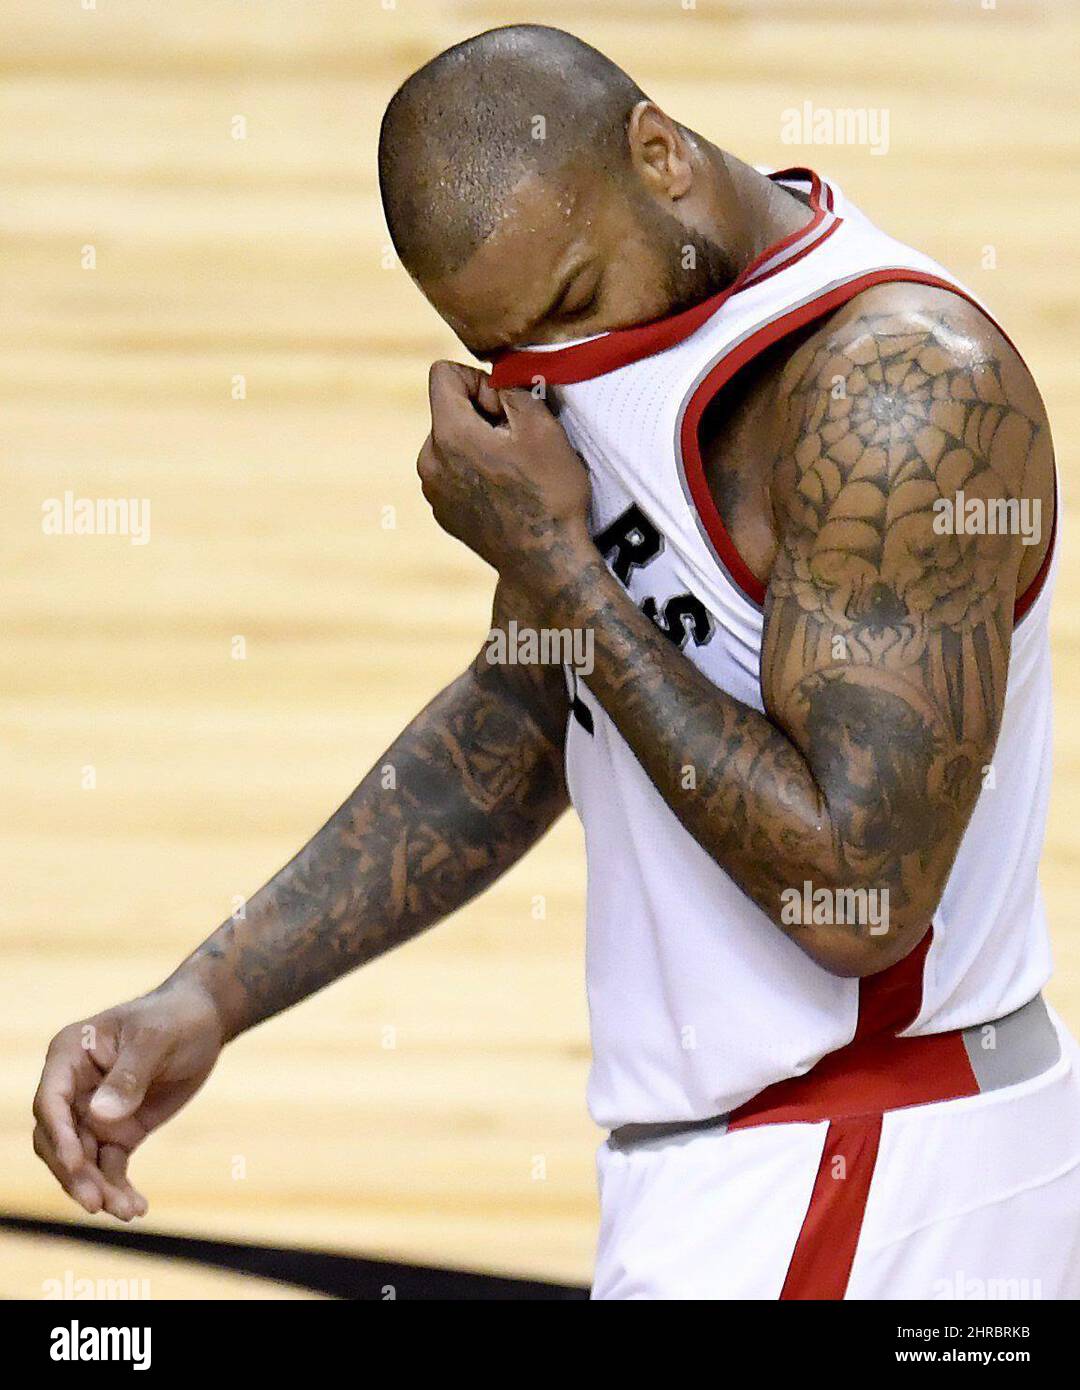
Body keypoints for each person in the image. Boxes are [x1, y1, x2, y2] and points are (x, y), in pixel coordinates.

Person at [34, 25, 1078, 1299]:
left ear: (659, 155)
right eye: (512, 344)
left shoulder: (899, 394)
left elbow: (858, 898)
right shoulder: (603, 333)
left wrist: (562, 565)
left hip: (868, 1170)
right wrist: (208, 993)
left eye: (574, 302)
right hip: (760, 1171)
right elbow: (532, 713)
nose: (565, 364)